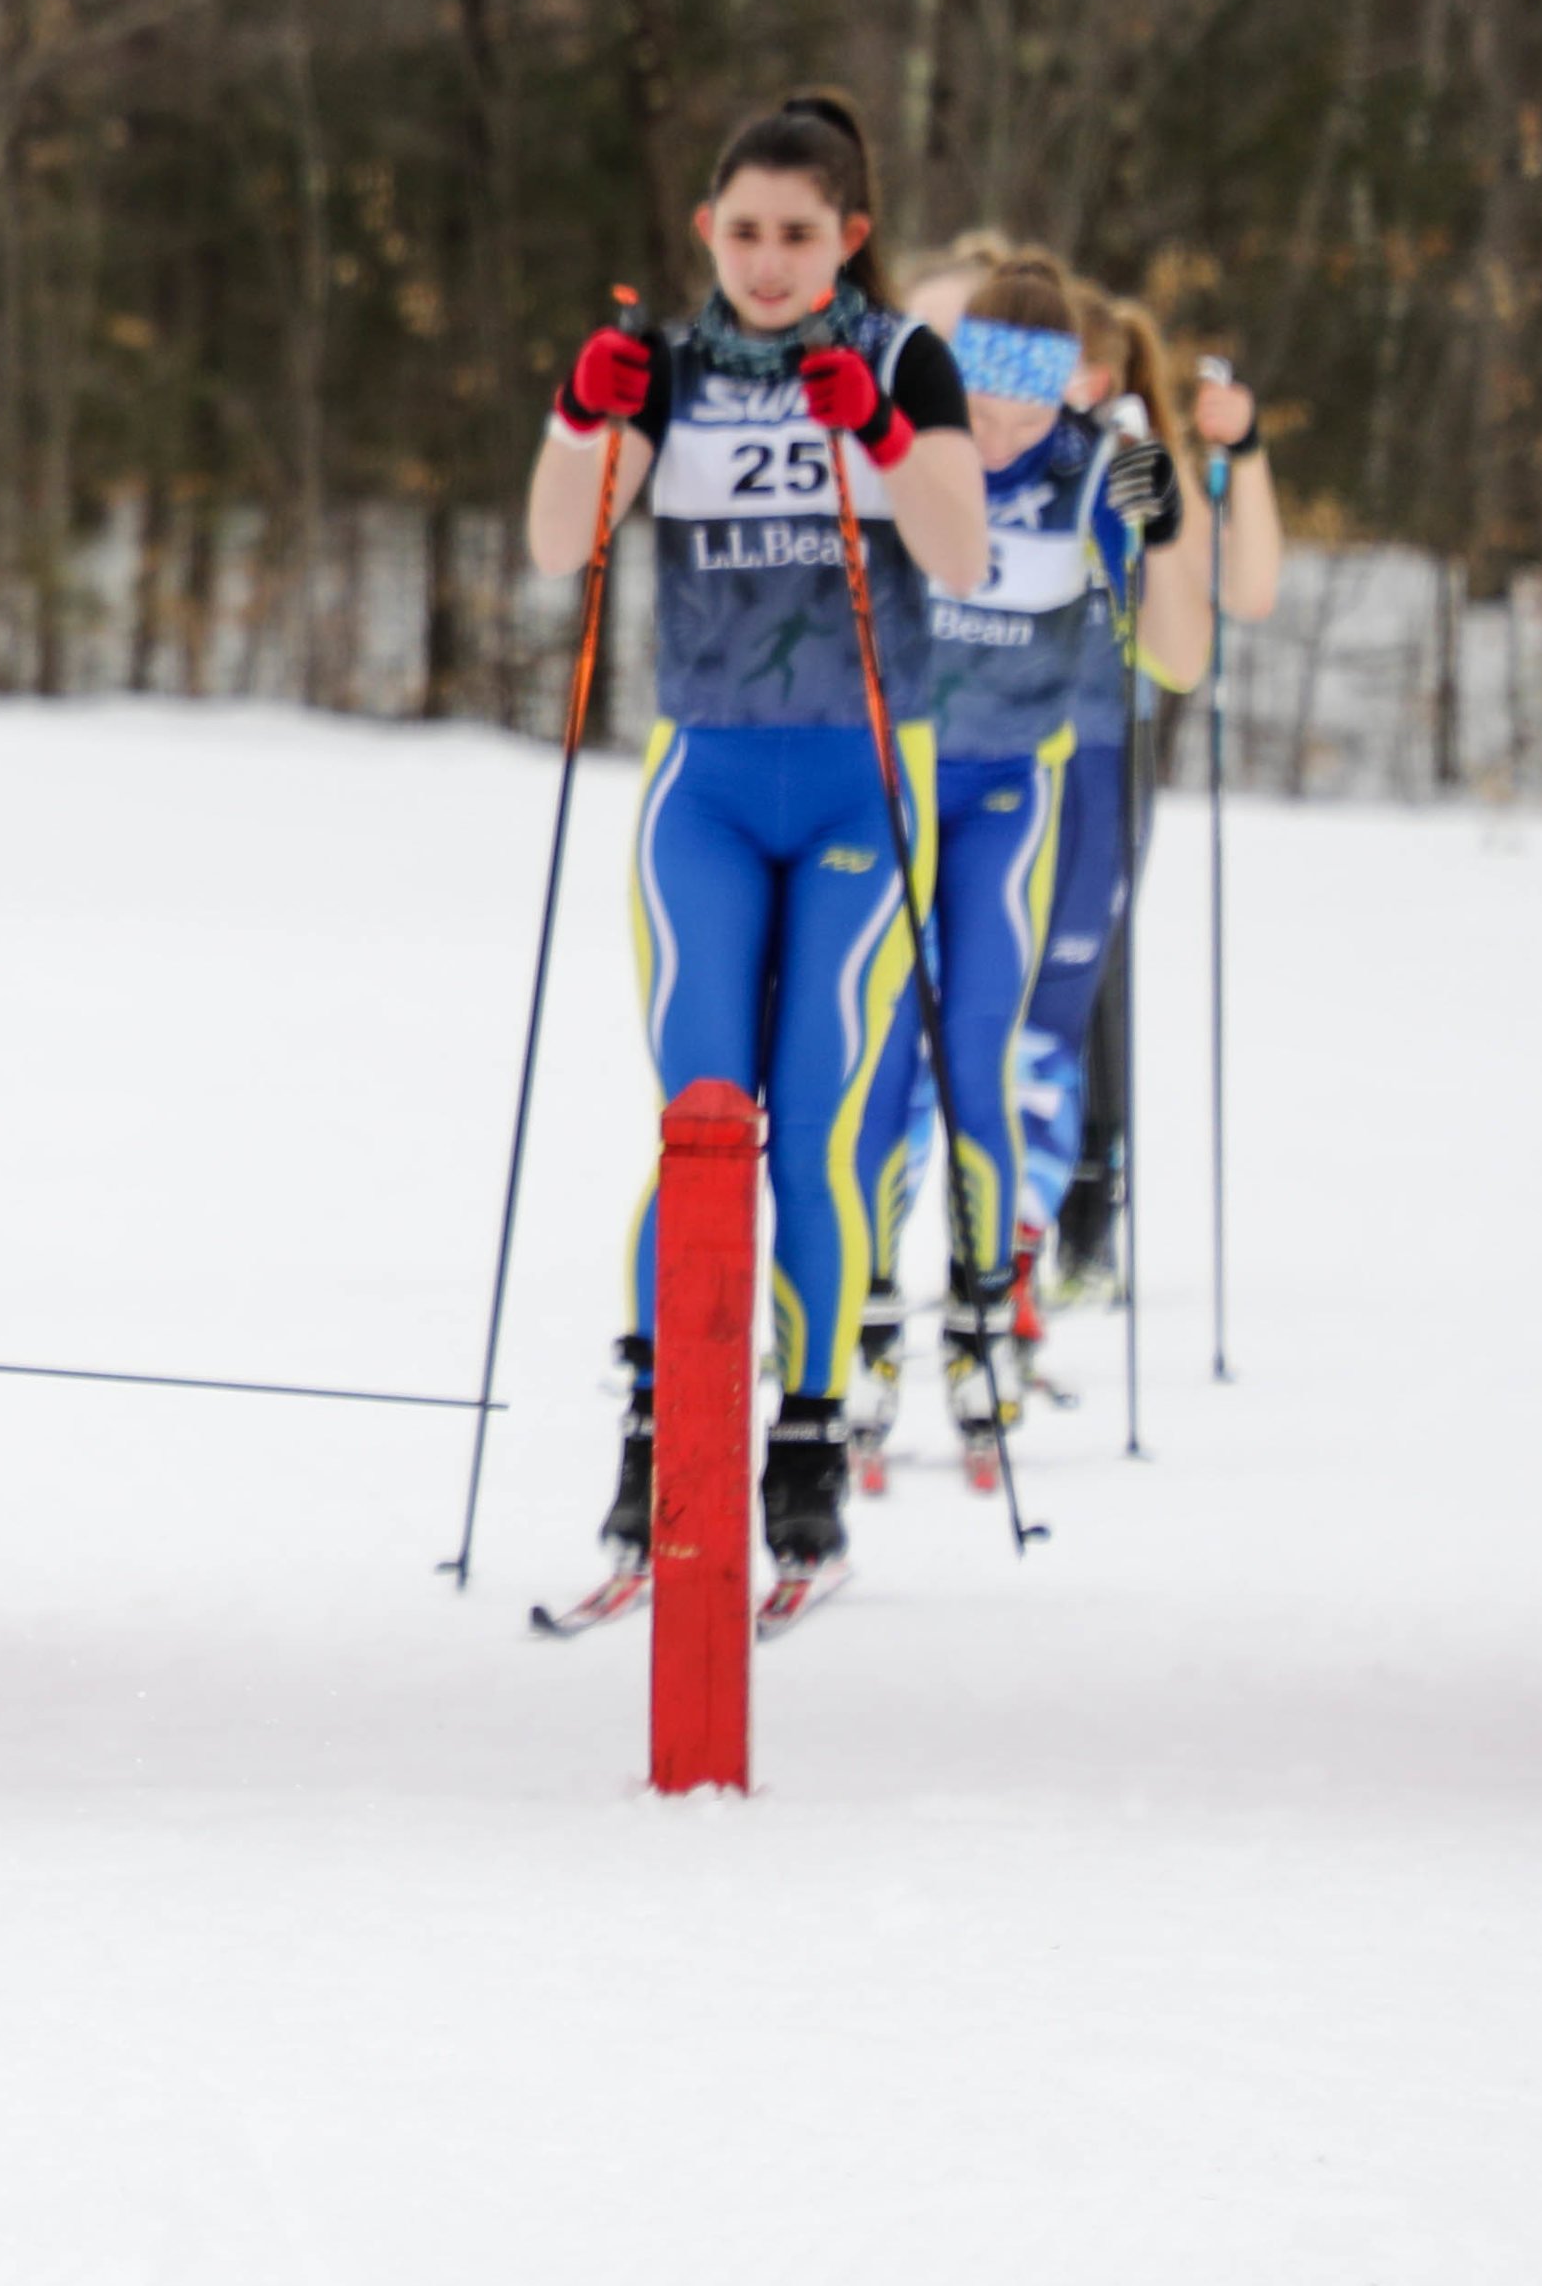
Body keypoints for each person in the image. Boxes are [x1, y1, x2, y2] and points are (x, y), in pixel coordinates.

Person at [529, 93, 991, 1607]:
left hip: (864, 780)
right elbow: (558, 543)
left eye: (801, 235)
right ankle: (659, 1434)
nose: (772, 262)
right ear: (706, 234)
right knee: (703, 1109)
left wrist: (874, 429)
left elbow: (962, 552)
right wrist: (579, 417)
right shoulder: (664, 363)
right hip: (707, 788)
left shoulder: (905, 358)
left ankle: (802, 1450)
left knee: (821, 1114)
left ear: (849, 239)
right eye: (745, 233)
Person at [887, 247, 1211, 1483]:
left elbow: (1180, 657)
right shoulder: (919, 454)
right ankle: (862, 1301)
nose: (1006, 423)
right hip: (915, 779)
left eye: (1032, 398)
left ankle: (1001, 1285)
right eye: (985, 396)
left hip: (1056, 780)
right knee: (895, 1053)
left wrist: (1167, 525)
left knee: (1025, 1044)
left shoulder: (1091, 473)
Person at [1044, 288, 1284, 1304]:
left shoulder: (1147, 465)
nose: (1080, 388)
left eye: (1097, 369)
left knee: (1090, 966)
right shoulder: (1001, 449)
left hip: (1106, 744)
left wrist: (1247, 455)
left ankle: (1087, 1208)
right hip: (997, 747)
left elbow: (1240, 591)